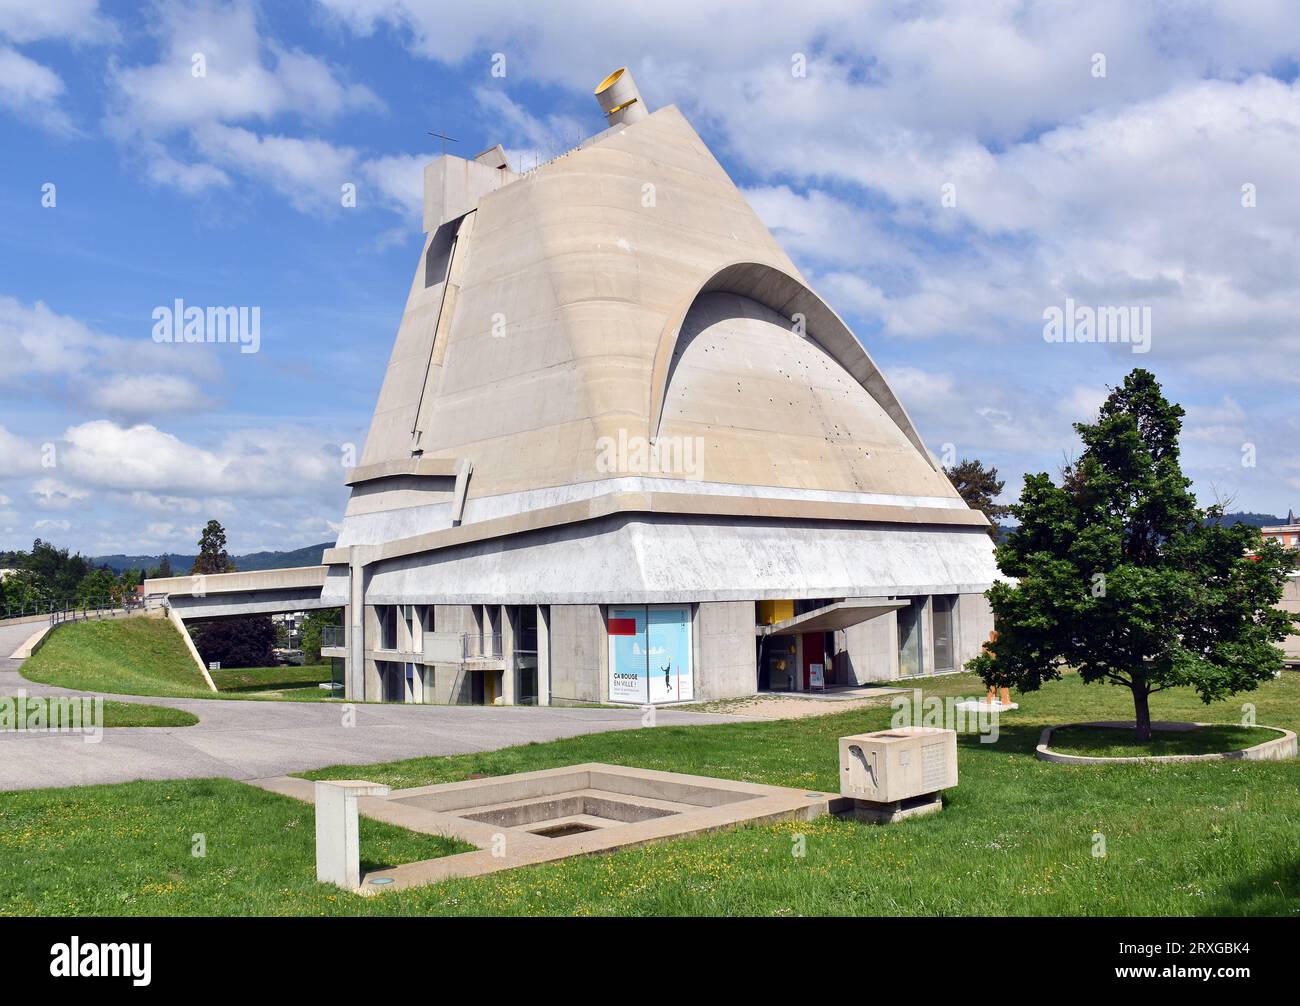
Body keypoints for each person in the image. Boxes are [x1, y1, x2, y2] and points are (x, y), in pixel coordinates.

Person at [983, 629, 1013, 707]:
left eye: (992, 635)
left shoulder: (1000, 645)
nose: (991, 637)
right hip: (993, 666)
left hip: (1000, 666)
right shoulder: (987, 645)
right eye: (990, 635)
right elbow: (984, 655)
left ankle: (1005, 700)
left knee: (1002, 683)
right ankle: (991, 699)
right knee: (991, 682)